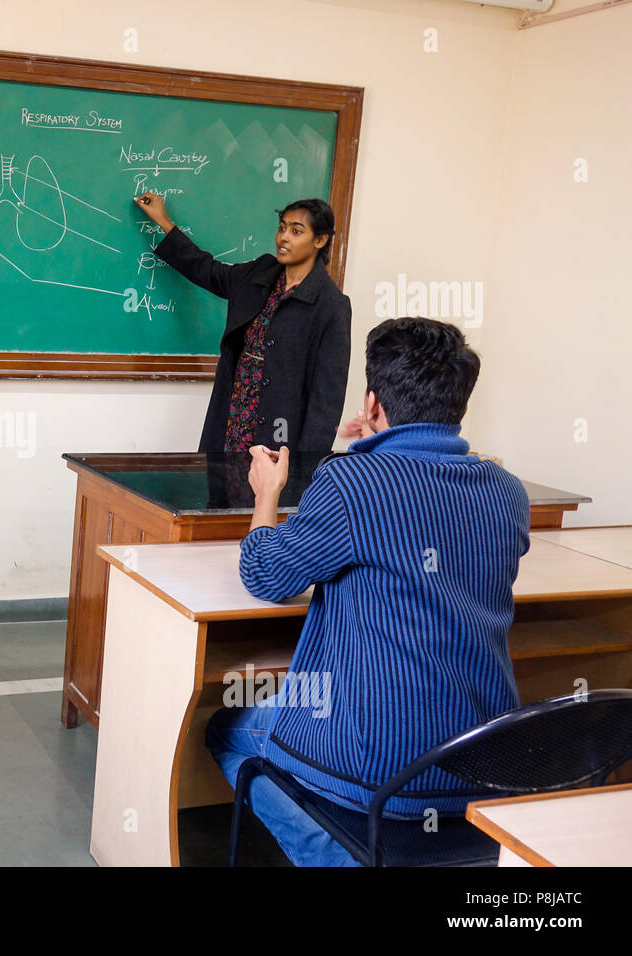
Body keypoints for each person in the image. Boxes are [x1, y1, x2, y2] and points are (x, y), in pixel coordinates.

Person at [205, 317, 530, 866]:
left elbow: (268, 575)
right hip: (483, 759)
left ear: (372, 404)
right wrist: (367, 455)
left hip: (377, 764)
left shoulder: (350, 482)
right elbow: (417, 530)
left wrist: (267, 497)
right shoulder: (506, 491)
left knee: (226, 729)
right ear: (462, 408)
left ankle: (343, 855)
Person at [135, 194, 350, 454]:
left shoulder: (330, 304)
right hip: (233, 418)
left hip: (279, 436)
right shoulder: (259, 274)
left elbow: (327, 400)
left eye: (296, 231)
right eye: (282, 228)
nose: (283, 237)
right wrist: (164, 222)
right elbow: (208, 270)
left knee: (266, 495)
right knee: (220, 491)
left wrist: (303, 467)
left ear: (320, 240)